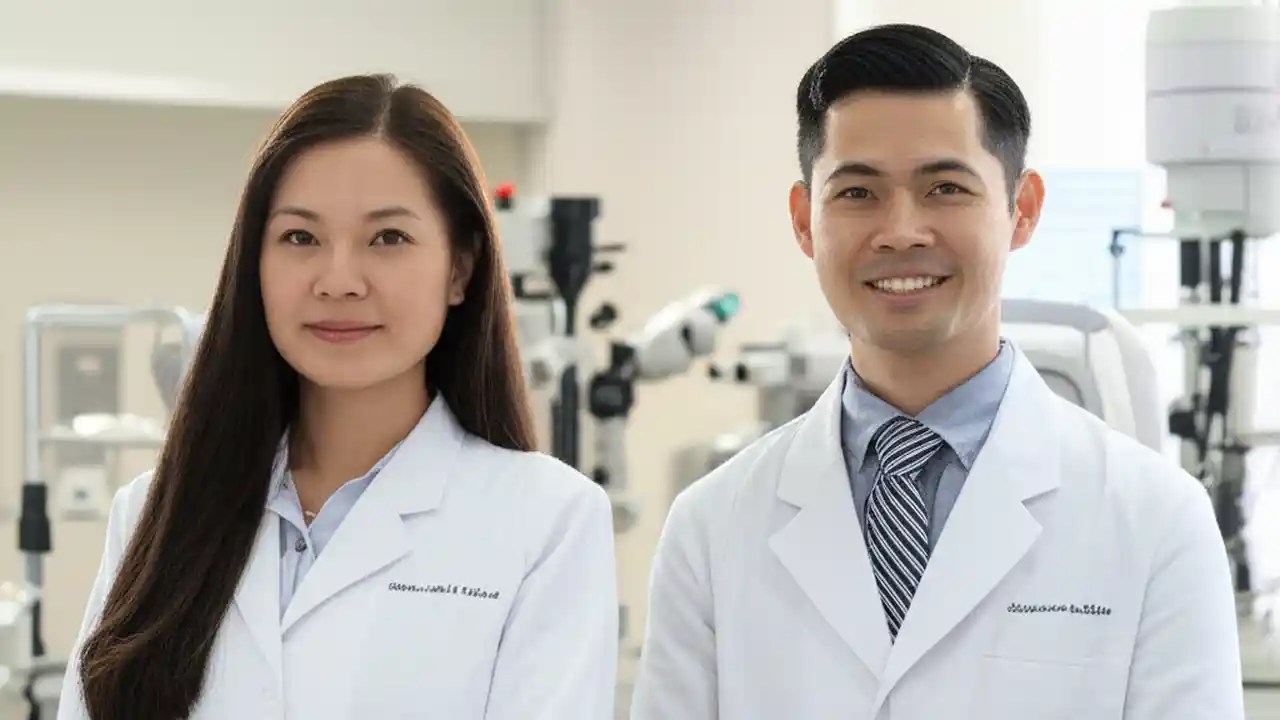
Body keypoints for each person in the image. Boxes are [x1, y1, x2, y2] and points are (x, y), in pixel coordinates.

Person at [631, 23, 1244, 720]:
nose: (900, 231)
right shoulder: (712, 526)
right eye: (857, 193)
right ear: (804, 221)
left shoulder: (1155, 518)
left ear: (1022, 210)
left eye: (945, 188)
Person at [58, 74, 618, 720]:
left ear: (460, 269)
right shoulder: (152, 515)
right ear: (255, 265)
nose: (339, 280)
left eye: (388, 238)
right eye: (300, 238)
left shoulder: (548, 521)